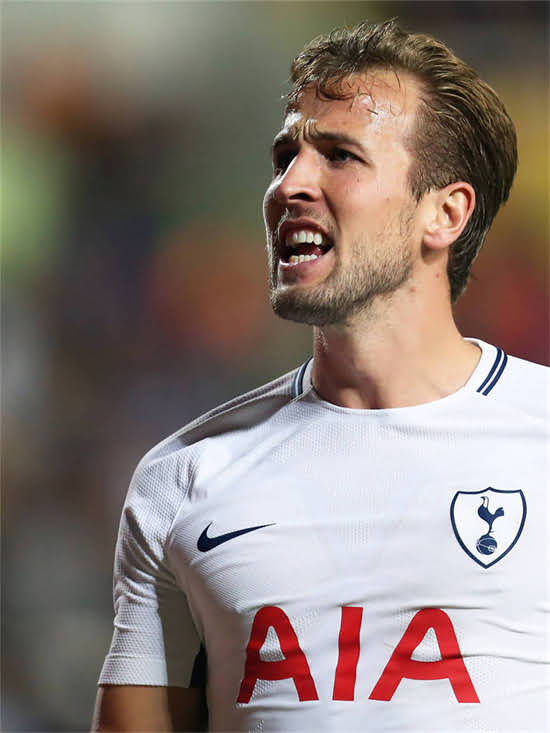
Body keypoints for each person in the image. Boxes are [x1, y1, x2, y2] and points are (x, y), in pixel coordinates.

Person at [93, 18, 549, 732]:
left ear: (444, 212)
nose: (289, 185)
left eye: (339, 155)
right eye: (286, 155)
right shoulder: (181, 480)